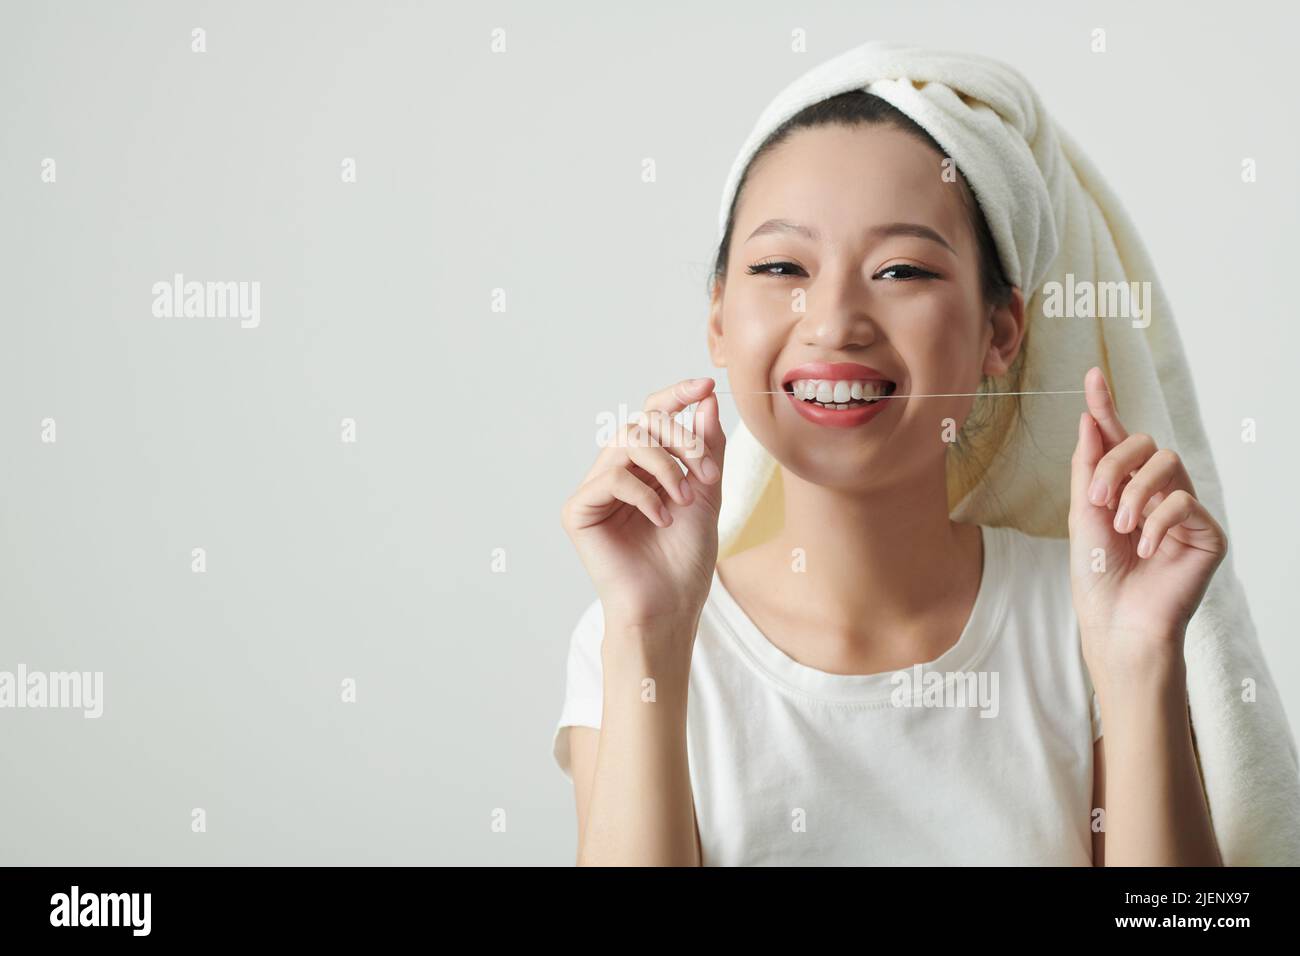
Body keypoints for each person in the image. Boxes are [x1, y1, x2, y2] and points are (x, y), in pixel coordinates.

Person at [555, 88, 1225, 866]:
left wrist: (1140, 657)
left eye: (901, 269)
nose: (834, 319)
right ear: (718, 321)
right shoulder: (637, 630)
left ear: (999, 330)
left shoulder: (1087, 619)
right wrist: (649, 635)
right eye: (781, 266)